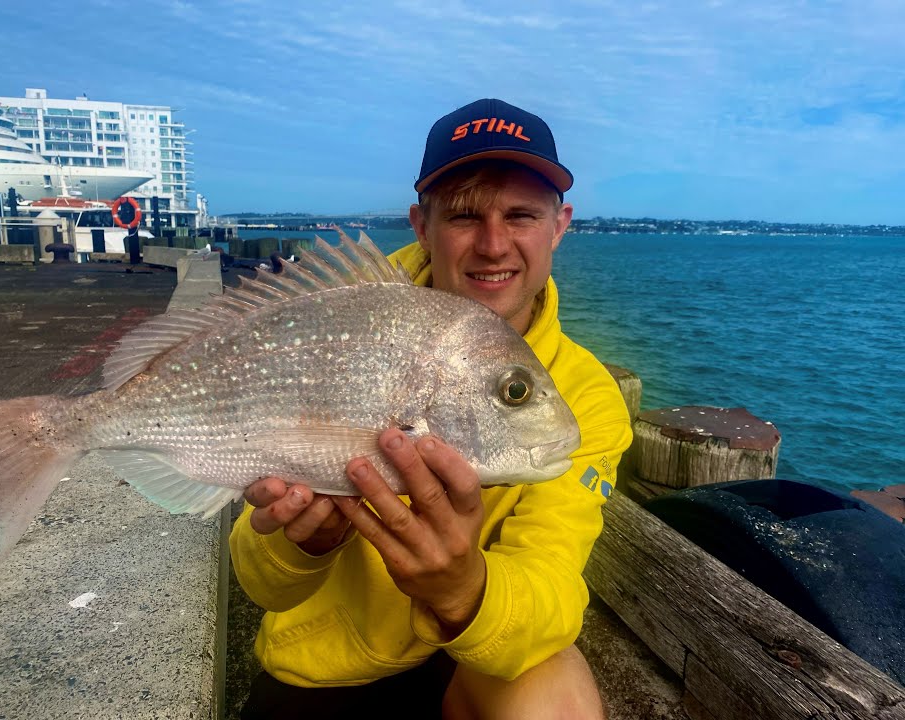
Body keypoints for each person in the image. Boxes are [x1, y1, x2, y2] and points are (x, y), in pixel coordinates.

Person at [229, 98, 634, 719]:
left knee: (557, 700)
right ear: (421, 224)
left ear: (560, 224)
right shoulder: (337, 320)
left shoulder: (585, 395)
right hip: (325, 674)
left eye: (521, 214)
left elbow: (552, 580)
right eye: (465, 215)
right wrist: (302, 545)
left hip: (477, 653)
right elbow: (260, 584)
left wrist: (461, 589)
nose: (494, 245)